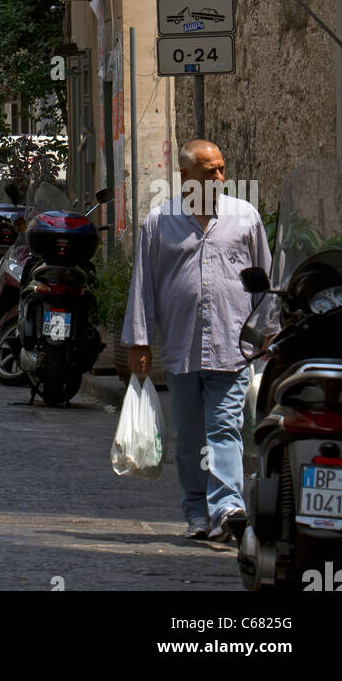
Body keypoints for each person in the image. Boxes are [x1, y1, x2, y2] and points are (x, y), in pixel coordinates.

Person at [122, 138, 271, 544]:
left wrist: (266, 332)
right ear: (185, 176)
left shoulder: (245, 217)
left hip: (233, 344)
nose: (220, 177)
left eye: (222, 169)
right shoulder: (160, 221)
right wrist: (139, 341)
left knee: (225, 428)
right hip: (181, 346)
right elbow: (144, 285)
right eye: (210, 171)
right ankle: (195, 511)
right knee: (188, 438)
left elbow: (265, 282)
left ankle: (227, 508)